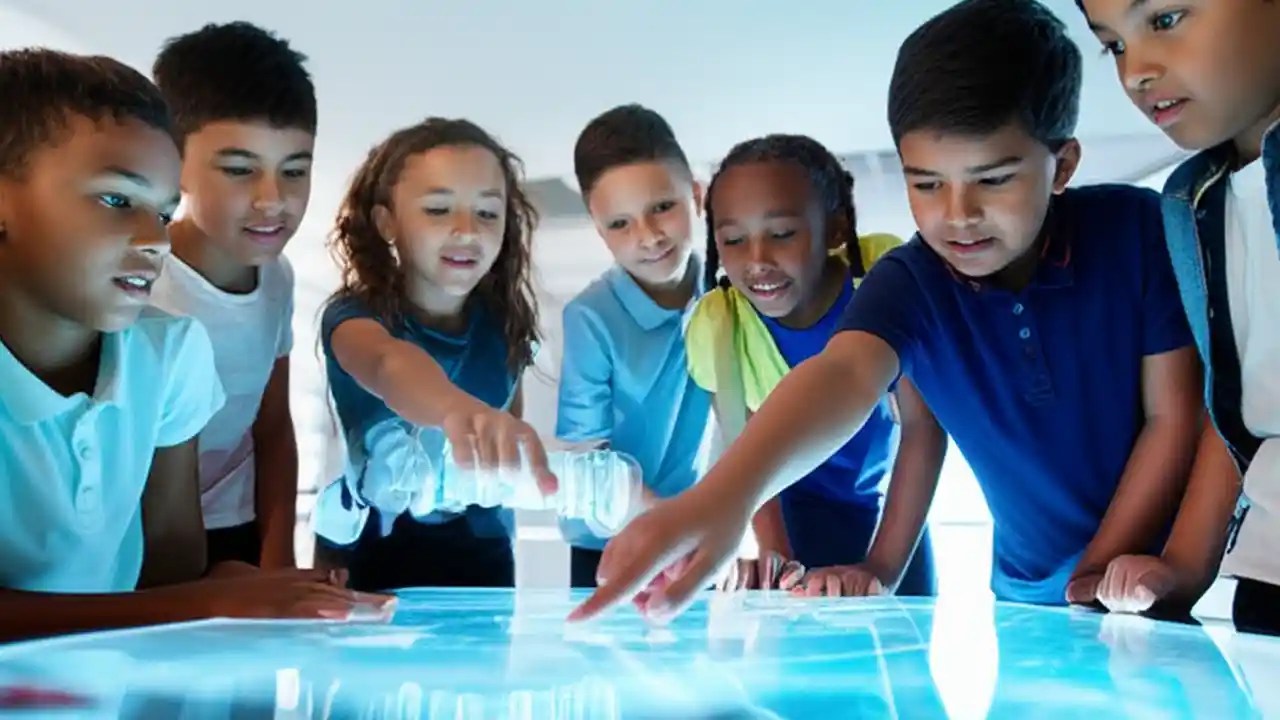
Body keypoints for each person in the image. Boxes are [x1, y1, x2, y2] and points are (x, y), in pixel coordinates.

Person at [570, 0, 1202, 623]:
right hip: (1025, 599)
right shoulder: (913, 280)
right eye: (926, 183)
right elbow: (840, 374)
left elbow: (1174, 415)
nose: (958, 215)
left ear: (1060, 165)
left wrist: (1097, 570)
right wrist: (723, 497)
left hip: (1154, 578)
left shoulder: (1136, 230)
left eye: (993, 179)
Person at [0, 49, 390, 642]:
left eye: (162, 211)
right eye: (116, 199)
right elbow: (178, 600)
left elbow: (171, 573)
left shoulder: (169, 352)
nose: (155, 239)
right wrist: (207, 599)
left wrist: (248, 580)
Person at [1079, 0, 1280, 635]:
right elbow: (1242, 415)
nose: (1136, 71)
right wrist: (1180, 568)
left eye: (1164, 20)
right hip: (1263, 585)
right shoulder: (1191, 201)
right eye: (1113, 45)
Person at [687, 133, 942, 596]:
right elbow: (747, 455)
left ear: (838, 228)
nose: (757, 260)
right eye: (733, 240)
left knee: (905, 658)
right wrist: (778, 558)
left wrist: (882, 568)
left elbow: (923, 429)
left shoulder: (884, 282)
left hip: (892, 519)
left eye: (782, 234)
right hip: (792, 518)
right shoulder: (719, 325)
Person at [312, 117, 555, 592]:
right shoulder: (354, 316)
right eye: (439, 209)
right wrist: (457, 410)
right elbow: (387, 364)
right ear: (387, 223)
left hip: (483, 551)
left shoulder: (506, 325)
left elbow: (502, 431)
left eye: (487, 213)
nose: (467, 230)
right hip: (372, 552)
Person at [149, 21, 316, 569]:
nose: (273, 200)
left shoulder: (279, 278)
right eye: (240, 170)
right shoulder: (141, 281)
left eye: (294, 170)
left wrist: (279, 559)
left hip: (235, 523)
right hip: (142, 536)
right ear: (173, 165)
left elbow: (271, 426)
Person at [555, 104, 711, 588]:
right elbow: (586, 452)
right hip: (606, 538)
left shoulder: (728, 294)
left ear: (697, 196)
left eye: (662, 207)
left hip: (687, 532)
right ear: (599, 231)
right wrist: (669, 522)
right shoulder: (590, 317)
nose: (647, 236)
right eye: (620, 224)